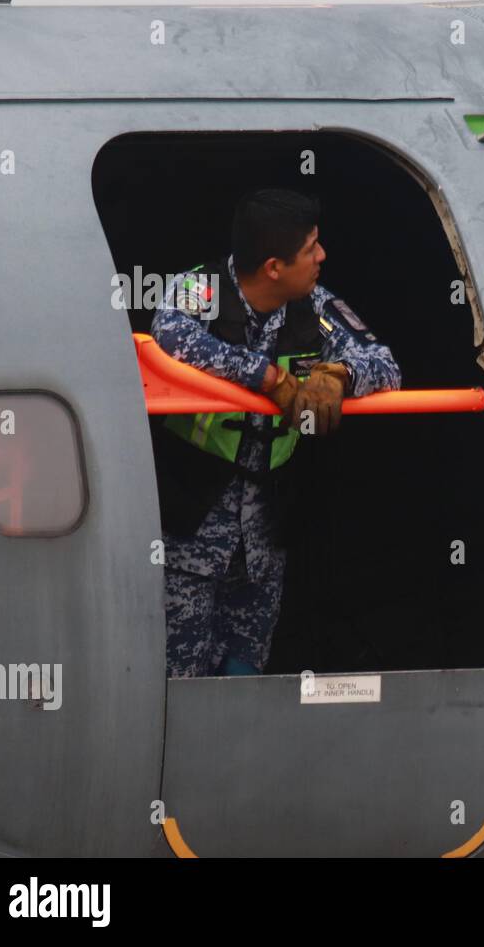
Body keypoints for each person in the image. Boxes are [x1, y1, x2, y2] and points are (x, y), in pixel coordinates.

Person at [150, 189, 401, 678]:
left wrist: (340, 375)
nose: (322, 256)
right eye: (310, 248)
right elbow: (172, 335)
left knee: (245, 679)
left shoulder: (315, 306)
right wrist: (267, 378)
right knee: (176, 682)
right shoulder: (198, 290)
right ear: (273, 267)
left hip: (264, 540)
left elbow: (385, 364)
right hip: (188, 535)